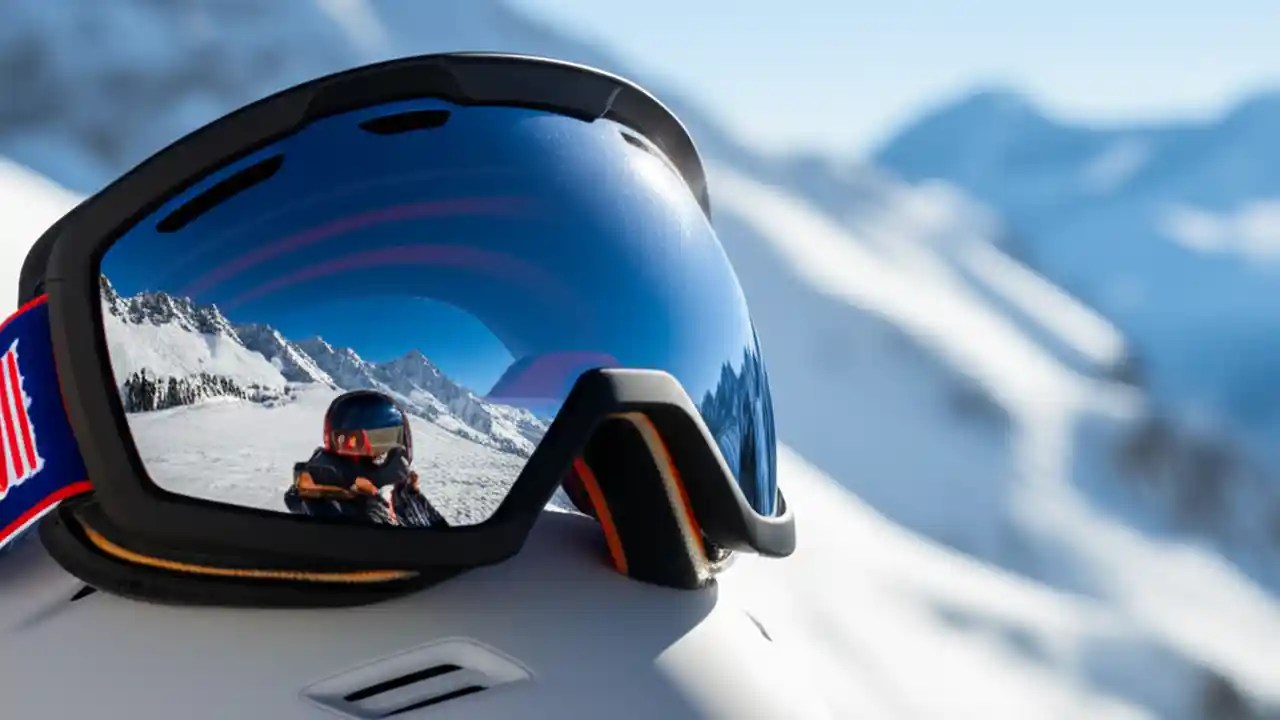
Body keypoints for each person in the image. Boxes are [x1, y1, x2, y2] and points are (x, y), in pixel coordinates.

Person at [284, 390, 448, 527]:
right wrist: (375, 516)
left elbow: (442, 540)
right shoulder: (333, 510)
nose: (395, 452)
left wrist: (411, 500)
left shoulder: (336, 491)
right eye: (382, 441)